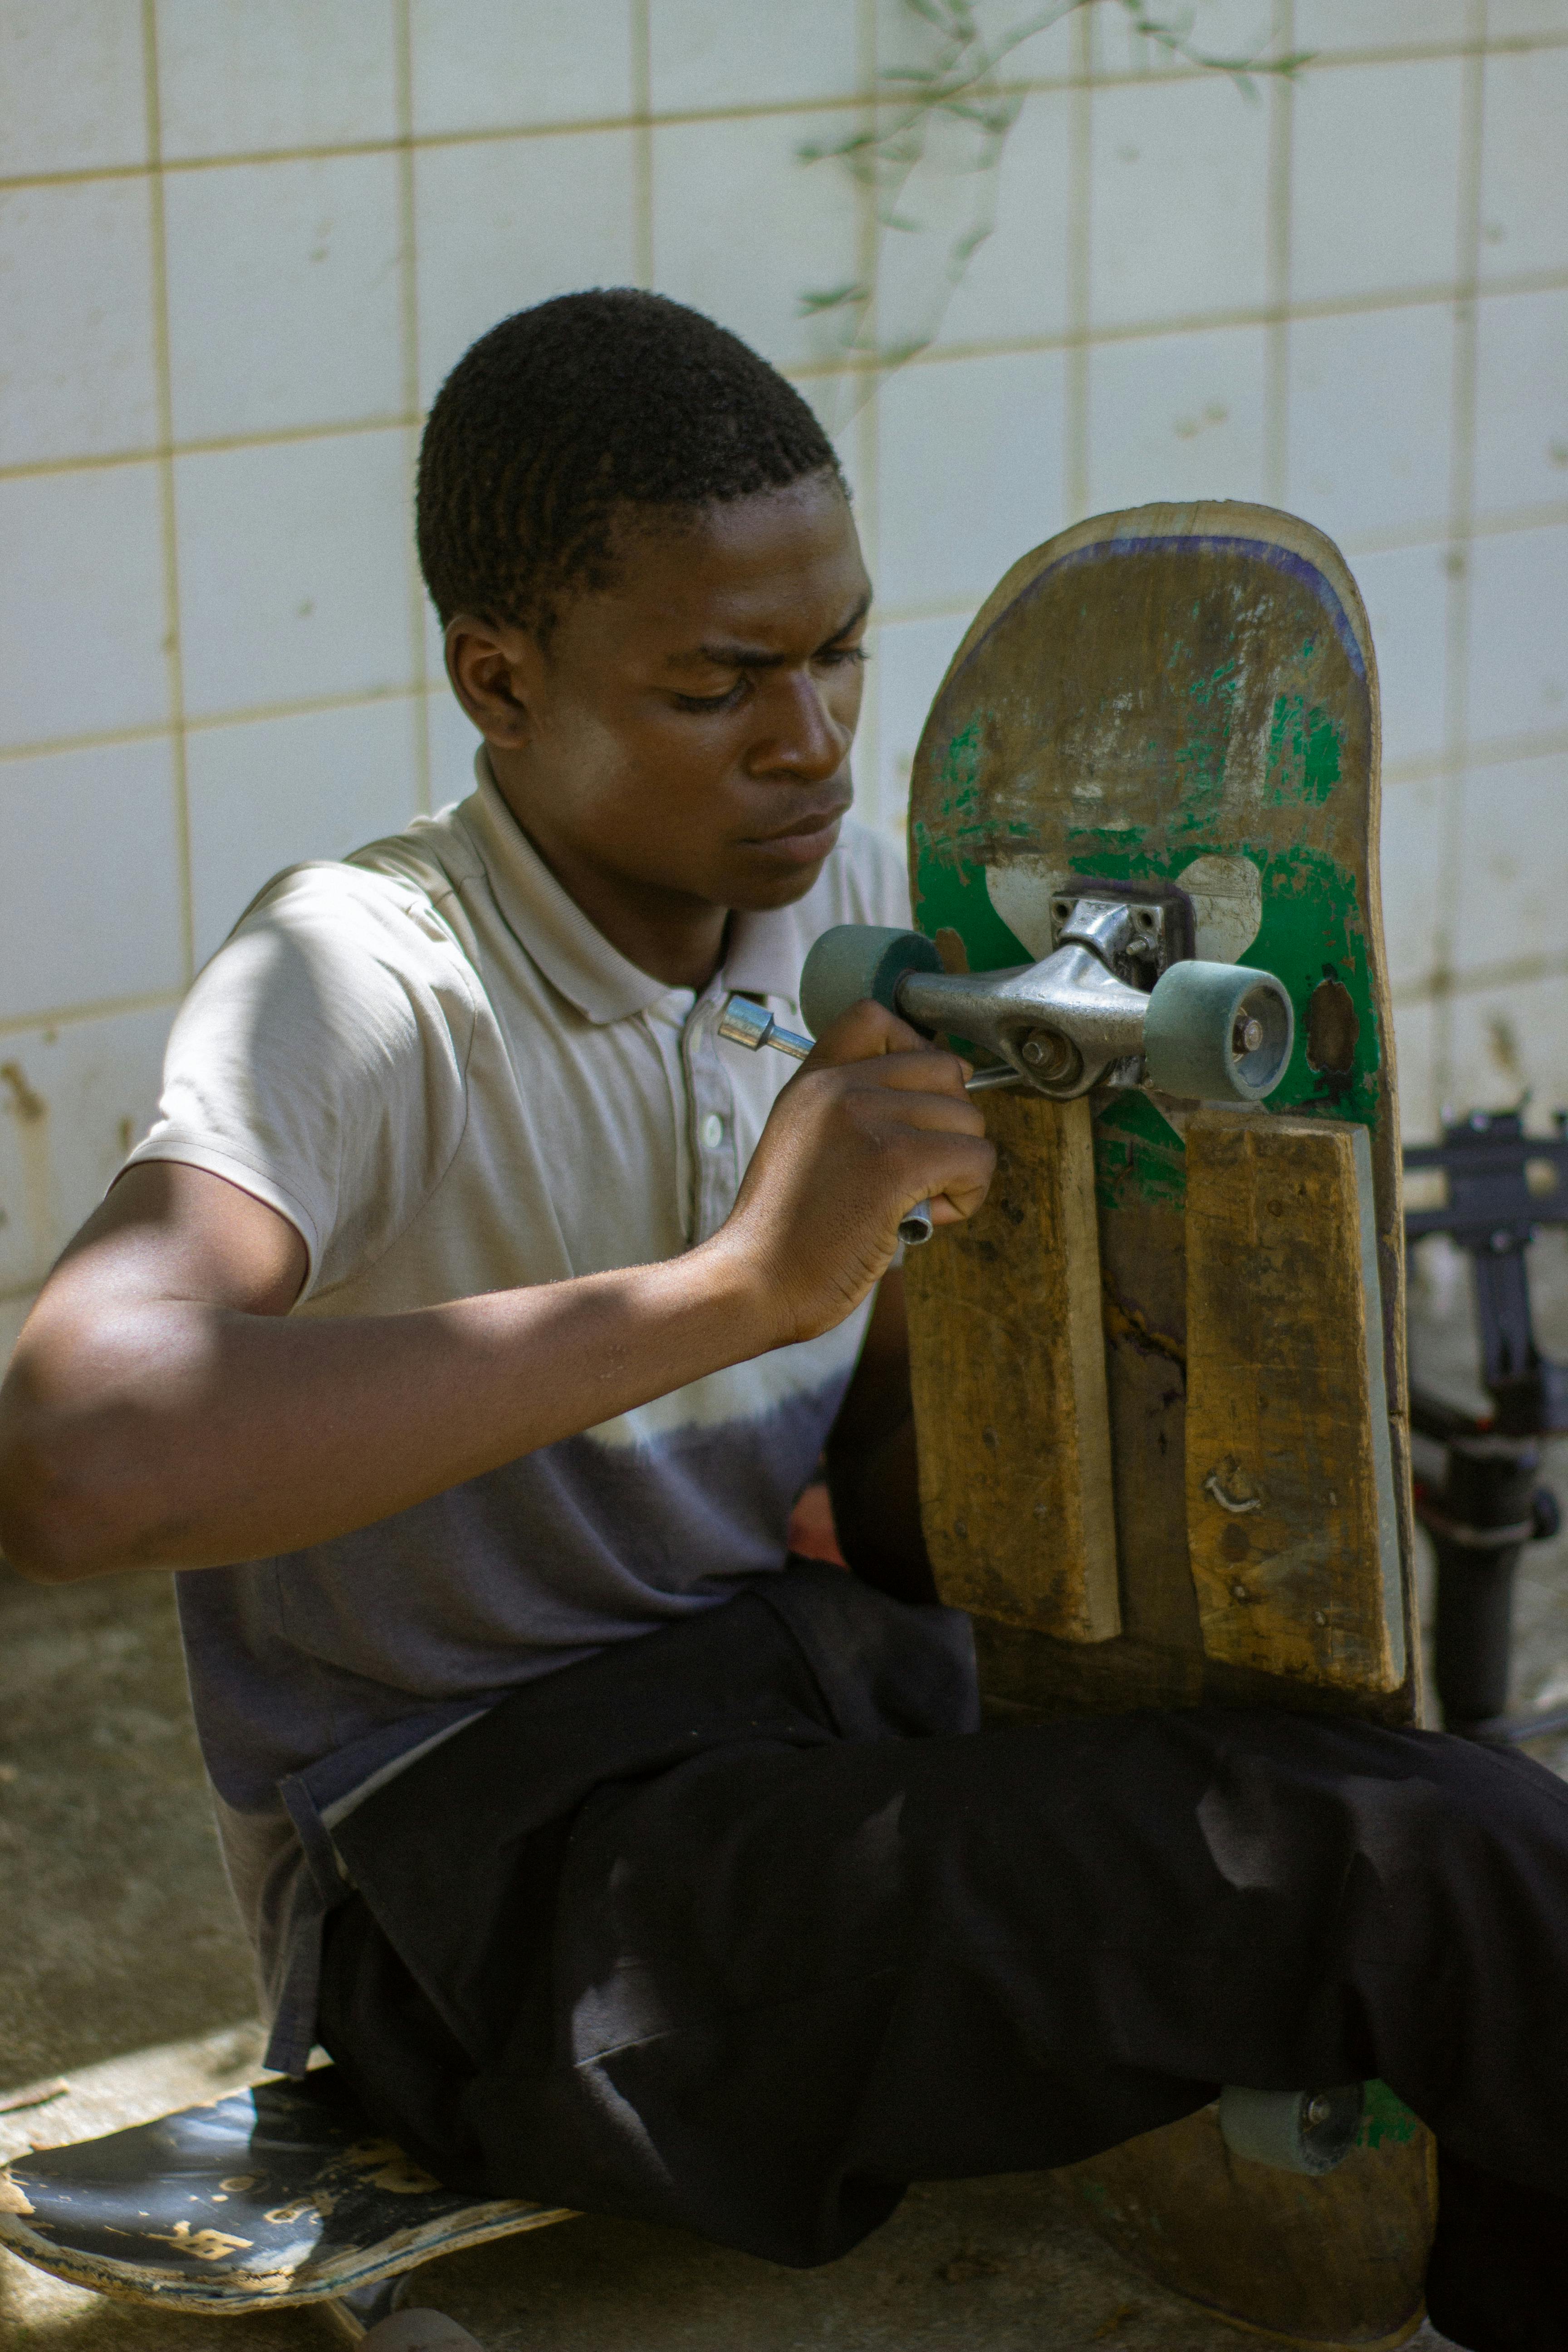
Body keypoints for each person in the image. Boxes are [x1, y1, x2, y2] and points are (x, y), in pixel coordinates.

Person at [0, 290, 1565, 2352]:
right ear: (502, 676)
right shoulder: (367, 976)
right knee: (1421, 1877)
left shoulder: (854, 932)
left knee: (1446, 1807)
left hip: (807, 1735)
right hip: (493, 1904)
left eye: (836, 652)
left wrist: (1044, 1310)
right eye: (722, 683)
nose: (812, 737)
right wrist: (741, 1286)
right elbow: (77, 1451)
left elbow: (896, 1505)